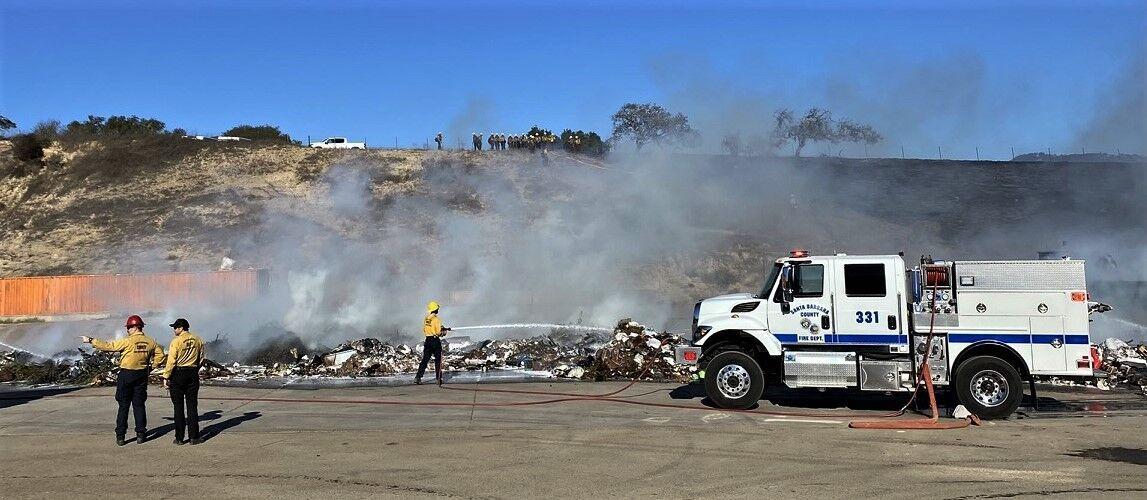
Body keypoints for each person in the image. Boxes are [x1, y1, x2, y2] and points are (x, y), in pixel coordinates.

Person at [82, 315, 165, 446]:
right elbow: (160, 355)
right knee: (139, 405)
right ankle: (141, 435)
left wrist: (91, 340)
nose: (127, 330)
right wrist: (152, 367)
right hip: (142, 375)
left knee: (123, 406)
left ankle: (121, 436)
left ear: (134, 327)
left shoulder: (127, 341)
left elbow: (108, 346)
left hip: (126, 375)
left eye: (129, 328)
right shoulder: (151, 342)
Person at [163, 318, 205, 445]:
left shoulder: (176, 341)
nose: (174, 330)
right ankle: (194, 437)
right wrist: (194, 368)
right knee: (192, 406)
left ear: (181, 328)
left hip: (178, 374)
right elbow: (201, 358)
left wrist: (166, 377)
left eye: (175, 327)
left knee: (178, 407)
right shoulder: (198, 339)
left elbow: (171, 361)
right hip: (192, 373)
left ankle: (179, 438)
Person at [415, 301, 450, 385]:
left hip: (428, 340)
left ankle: (418, 377)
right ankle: (439, 378)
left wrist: (442, 328)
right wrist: (443, 333)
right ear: (436, 309)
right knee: (438, 360)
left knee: (425, 359)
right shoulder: (436, 319)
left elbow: (424, 329)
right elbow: (438, 332)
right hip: (435, 341)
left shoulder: (427, 318)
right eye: (437, 308)